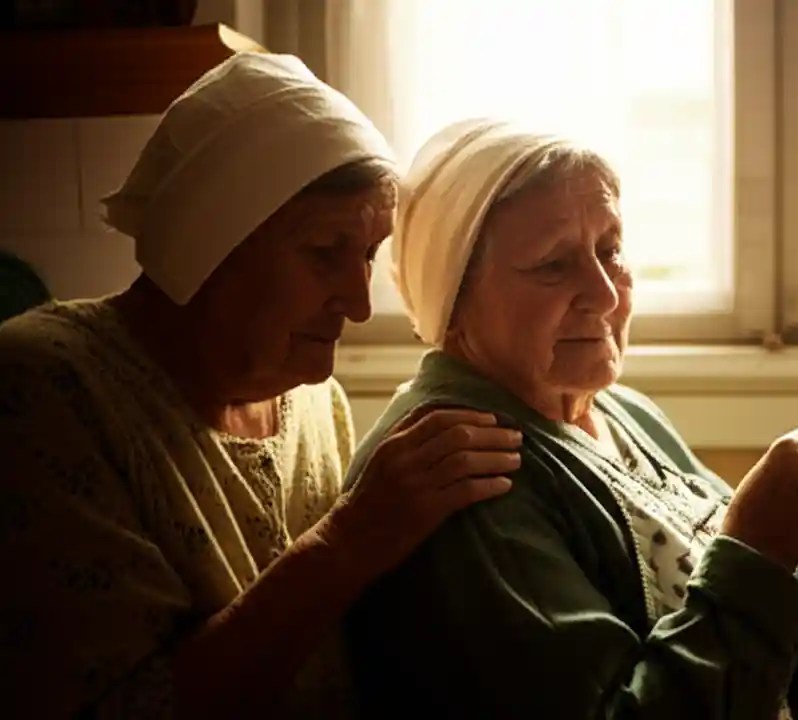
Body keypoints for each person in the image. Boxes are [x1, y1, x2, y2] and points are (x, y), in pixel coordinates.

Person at [344, 118, 798, 718]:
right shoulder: (458, 469)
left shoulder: (625, 414)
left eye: (610, 250)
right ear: (452, 299)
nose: (606, 294)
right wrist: (756, 552)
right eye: (554, 264)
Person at [0, 55, 520, 719]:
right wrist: (346, 542)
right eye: (325, 250)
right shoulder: (46, 387)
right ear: (209, 242)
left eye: (367, 254)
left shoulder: (312, 402)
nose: (359, 304)